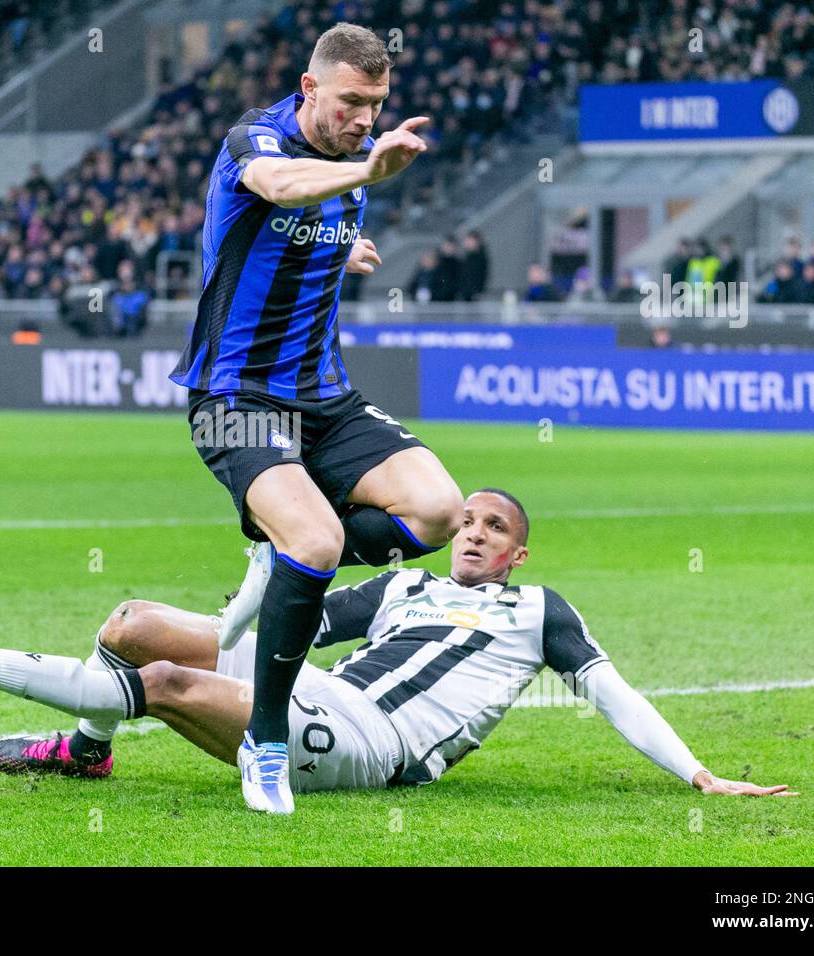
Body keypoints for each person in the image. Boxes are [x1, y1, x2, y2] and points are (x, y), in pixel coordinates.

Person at [0, 490, 797, 802]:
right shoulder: (404, 584)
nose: (472, 532)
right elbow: (292, 621)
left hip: (374, 747)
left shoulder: (539, 611)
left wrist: (698, 775)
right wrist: (242, 600)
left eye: (494, 528)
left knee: (161, 680)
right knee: (134, 626)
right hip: (309, 690)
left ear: (520, 552)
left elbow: (611, 694)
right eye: (466, 519)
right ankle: (88, 751)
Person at [166, 23, 467, 812]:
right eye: (351, 102)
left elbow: (306, 226)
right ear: (309, 88)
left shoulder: (351, 163)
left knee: (440, 511)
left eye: (376, 104)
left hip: (325, 397)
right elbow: (278, 188)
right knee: (319, 539)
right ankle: (265, 743)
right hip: (235, 398)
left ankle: (278, 563)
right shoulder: (253, 142)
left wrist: (349, 246)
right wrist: (366, 169)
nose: (365, 118)